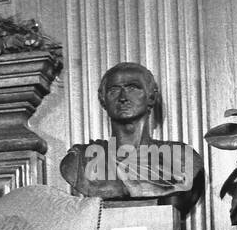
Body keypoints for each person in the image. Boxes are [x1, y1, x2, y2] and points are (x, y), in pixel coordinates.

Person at [60, 61, 203, 210]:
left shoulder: (181, 157)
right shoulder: (81, 160)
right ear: (103, 101)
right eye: (114, 90)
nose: (123, 97)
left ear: (151, 97)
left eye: (133, 88)